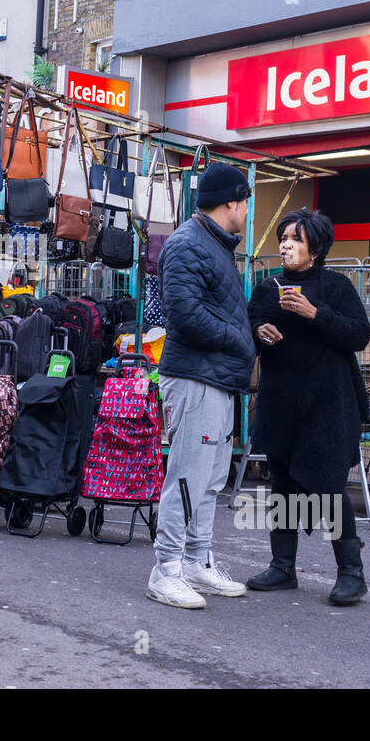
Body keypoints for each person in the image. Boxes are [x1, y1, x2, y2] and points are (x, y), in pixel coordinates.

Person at [245, 208, 370, 606]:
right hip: (282, 400)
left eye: (296, 239)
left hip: (327, 404)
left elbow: (359, 335)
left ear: (315, 249)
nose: (286, 245)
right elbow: (249, 326)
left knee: (329, 488)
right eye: (283, 238)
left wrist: (314, 314)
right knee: (281, 483)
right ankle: (283, 567)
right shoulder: (268, 287)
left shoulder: (336, 287)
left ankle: (351, 572)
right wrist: (258, 332)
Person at [148, 161, 254, 609]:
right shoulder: (189, 243)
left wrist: (249, 334)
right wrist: (239, 339)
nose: (247, 211)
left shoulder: (212, 244)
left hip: (215, 377)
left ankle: (196, 561)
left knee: (211, 478)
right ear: (231, 201)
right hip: (195, 377)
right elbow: (185, 314)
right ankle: (166, 569)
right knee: (188, 476)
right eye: (246, 202)